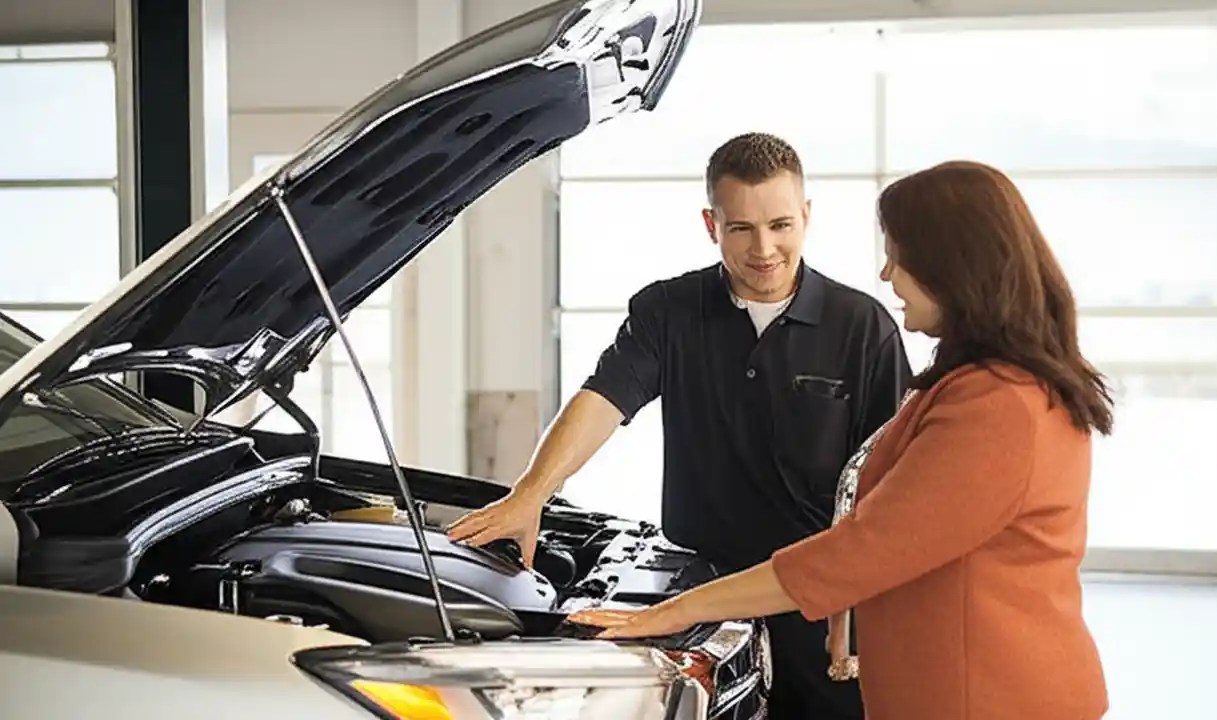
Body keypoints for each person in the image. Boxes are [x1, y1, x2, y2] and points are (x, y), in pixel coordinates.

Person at [567, 160, 1114, 720]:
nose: (887, 274)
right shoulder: (986, 384)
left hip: (993, 698)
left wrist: (673, 612)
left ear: (954, 266)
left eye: (899, 256)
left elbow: (863, 550)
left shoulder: (999, 406)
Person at [447, 132, 911, 719]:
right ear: (711, 224)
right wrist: (532, 492)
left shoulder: (863, 327)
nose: (764, 248)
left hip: (819, 614)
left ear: (807, 216)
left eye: (781, 225)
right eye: (741, 228)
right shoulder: (667, 311)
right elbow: (604, 398)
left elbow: (894, 487)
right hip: (698, 605)